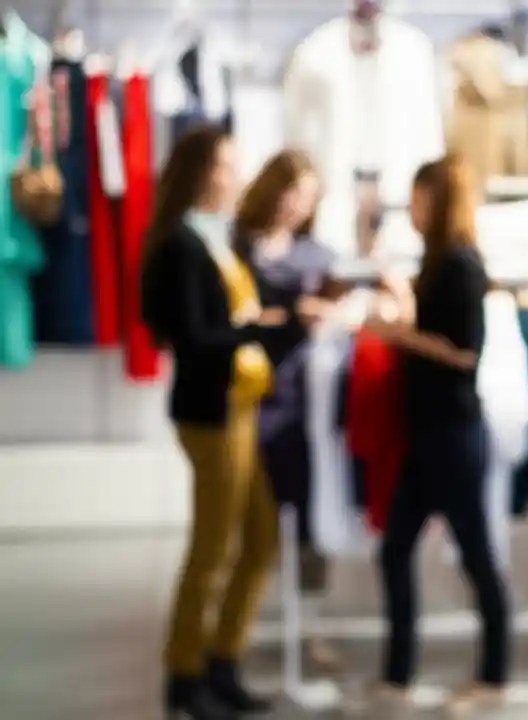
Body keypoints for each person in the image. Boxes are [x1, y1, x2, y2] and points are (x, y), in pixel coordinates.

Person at [140, 126, 285, 719]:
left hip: (238, 406)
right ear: (202, 172)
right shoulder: (182, 244)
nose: (235, 175)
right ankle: (186, 673)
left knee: (260, 538)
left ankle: (223, 660)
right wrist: (257, 330)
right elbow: (194, 337)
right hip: (211, 411)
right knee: (214, 548)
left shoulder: (217, 239)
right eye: (226, 165)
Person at [364, 154, 511, 714]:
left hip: (453, 435)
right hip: (428, 434)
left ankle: (493, 677)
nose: (412, 210)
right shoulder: (438, 263)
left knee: (476, 557)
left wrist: (397, 335)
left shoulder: (462, 265)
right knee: (395, 551)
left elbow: (465, 353)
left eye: (419, 199)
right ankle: (398, 676)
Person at [232, 149, 342, 672]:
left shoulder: (316, 254)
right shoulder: (238, 246)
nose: (298, 205)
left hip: (301, 398)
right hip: (250, 394)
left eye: (308, 198)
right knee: (252, 519)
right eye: (293, 193)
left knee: (308, 517)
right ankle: (238, 624)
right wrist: (289, 316)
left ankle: (308, 623)